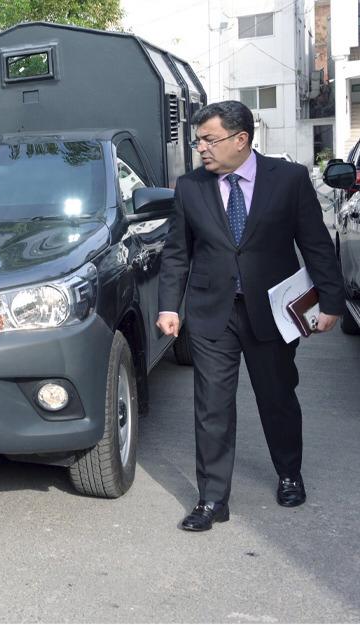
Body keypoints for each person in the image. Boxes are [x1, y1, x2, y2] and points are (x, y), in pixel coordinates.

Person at [157, 100, 347, 532]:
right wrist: (170, 306)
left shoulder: (290, 180)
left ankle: (288, 474)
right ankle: (211, 499)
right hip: (212, 313)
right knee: (212, 406)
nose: (201, 148)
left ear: (241, 139)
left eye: (209, 139)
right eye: (198, 140)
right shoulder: (190, 187)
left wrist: (332, 302)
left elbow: (316, 243)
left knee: (277, 397)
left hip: (273, 312)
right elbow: (176, 253)